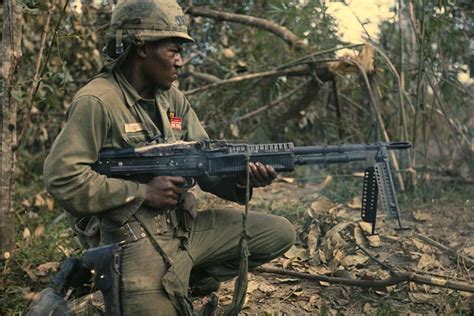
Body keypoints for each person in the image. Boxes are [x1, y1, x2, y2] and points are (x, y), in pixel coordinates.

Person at [43, 0, 295, 314]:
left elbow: (205, 164)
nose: (180, 62)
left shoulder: (173, 98)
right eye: (173, 50)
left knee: (279, 233)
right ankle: (81, 306)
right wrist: (142, 192)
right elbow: (62, 177)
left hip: (181, 228)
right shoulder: (98, 101)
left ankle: (179, 277)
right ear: (142, 48)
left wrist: (242, 177)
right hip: (130, 236)